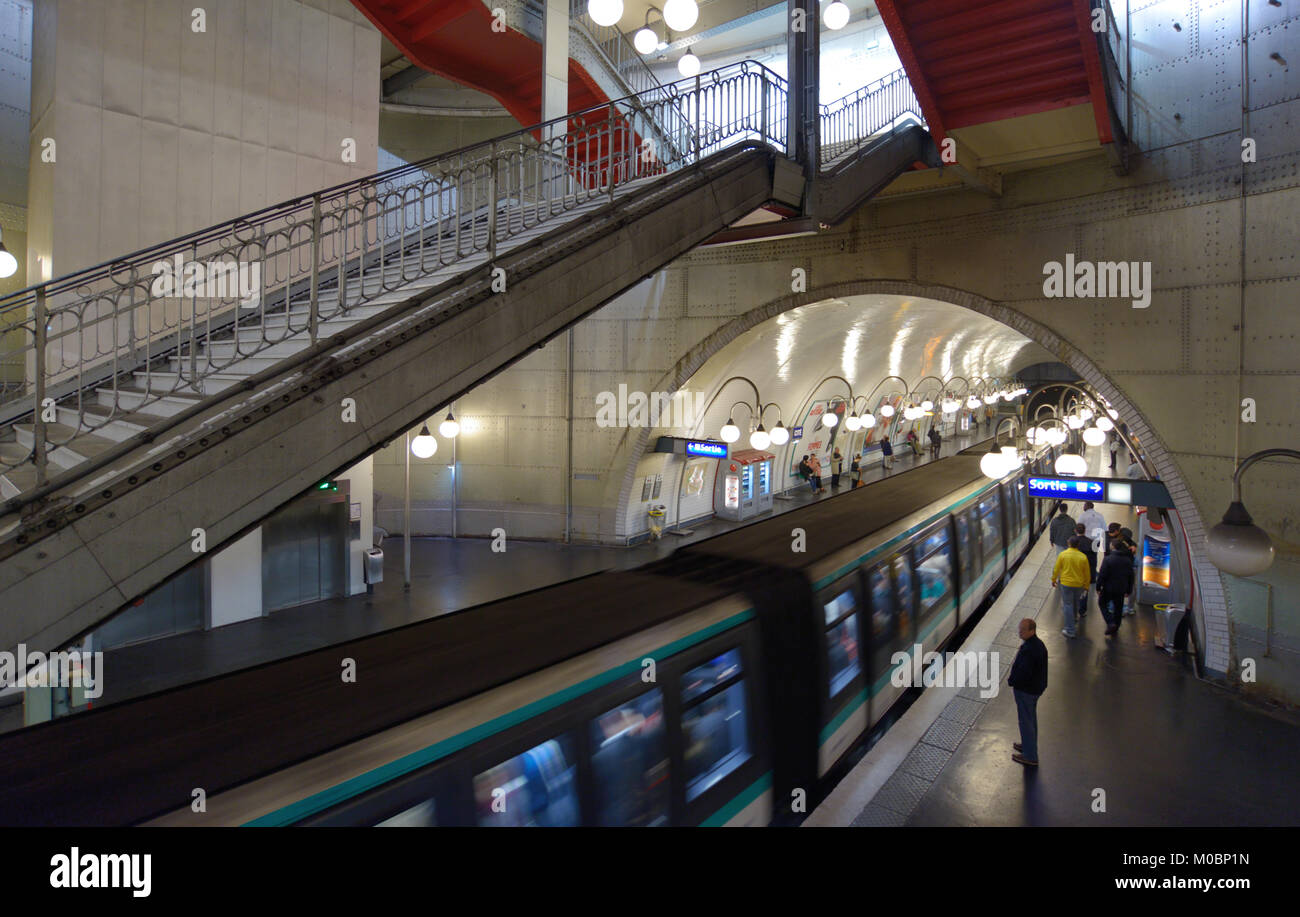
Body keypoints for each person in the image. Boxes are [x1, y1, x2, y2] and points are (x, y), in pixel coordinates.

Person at [1007, 617, 1047, 767]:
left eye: (1023, 630)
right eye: (1019, 629)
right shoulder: (1036, 644)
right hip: (1034, 689)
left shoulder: (1031, 649)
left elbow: (1024, 672)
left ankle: (1030, 756)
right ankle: (1027, 745)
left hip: (1027, 690)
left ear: (1032, 630)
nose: (1020, 633)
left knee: (1026, 722)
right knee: (1030, 720)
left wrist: (1012, 681)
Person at [1051, 535, 1091, 638]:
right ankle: (1074, 618)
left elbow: (1056, 568)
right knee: (1076, 602)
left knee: (1067, 605)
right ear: (1078, 545)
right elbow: (1087, 574)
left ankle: (1070, 630)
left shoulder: (1063, 555)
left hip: (1066, 584)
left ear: (1068, 544)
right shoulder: (1083, 557)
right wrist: (1086, 587)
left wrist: (1053, 579)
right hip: (1079, 584)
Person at [1097, 542, 1135, 637]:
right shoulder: (1127, 560)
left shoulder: (1108, 559)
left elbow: (1102, 574)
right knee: (1118, 608)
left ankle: (1110, 622)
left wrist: (1098, 587)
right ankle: (1116, 627)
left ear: (1113, 547)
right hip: (1121, 588)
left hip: (1108, 588)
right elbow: (1131, 577)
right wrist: (1129, 590)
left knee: (1102, 603)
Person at [1073, 523, 1097, 617]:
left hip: (1075, 571)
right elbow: (1094, 560)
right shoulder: (1091, 542)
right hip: (1086, 572)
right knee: (1084, 591)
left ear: (1075, 530)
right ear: (1085, 530)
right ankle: (1082, 611)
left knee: (1073, 591)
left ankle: (1073, 610)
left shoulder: (1073, 542)